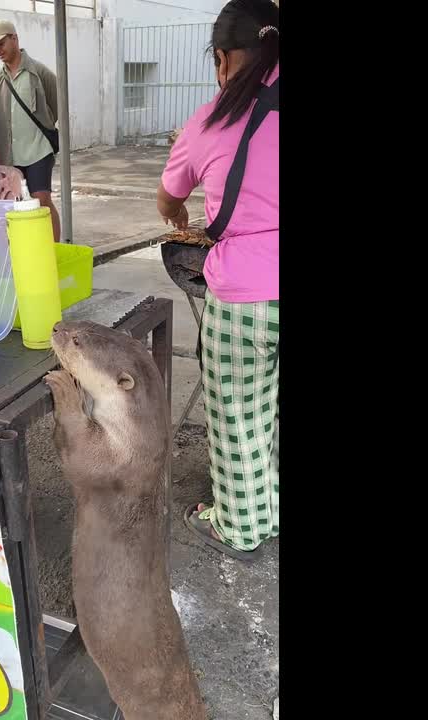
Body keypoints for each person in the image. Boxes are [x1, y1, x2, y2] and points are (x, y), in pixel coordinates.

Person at [158, 0, 279, 561]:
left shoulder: (208, 120)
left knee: (239, 419)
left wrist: (180, 217)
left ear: (222, 59)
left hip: (247, 294)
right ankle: (269, 503)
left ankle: (240, 526)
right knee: (273, 413)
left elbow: (170, 196)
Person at [0, 20, 62, 244]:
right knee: (15, 205)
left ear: (14, 39)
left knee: (42, 199)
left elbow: (57, 104)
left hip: (38, 148)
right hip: (11, 154)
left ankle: (55, 249)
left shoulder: (38, 71)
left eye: (1, 44)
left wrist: (45, 124)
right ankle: (25, 250)